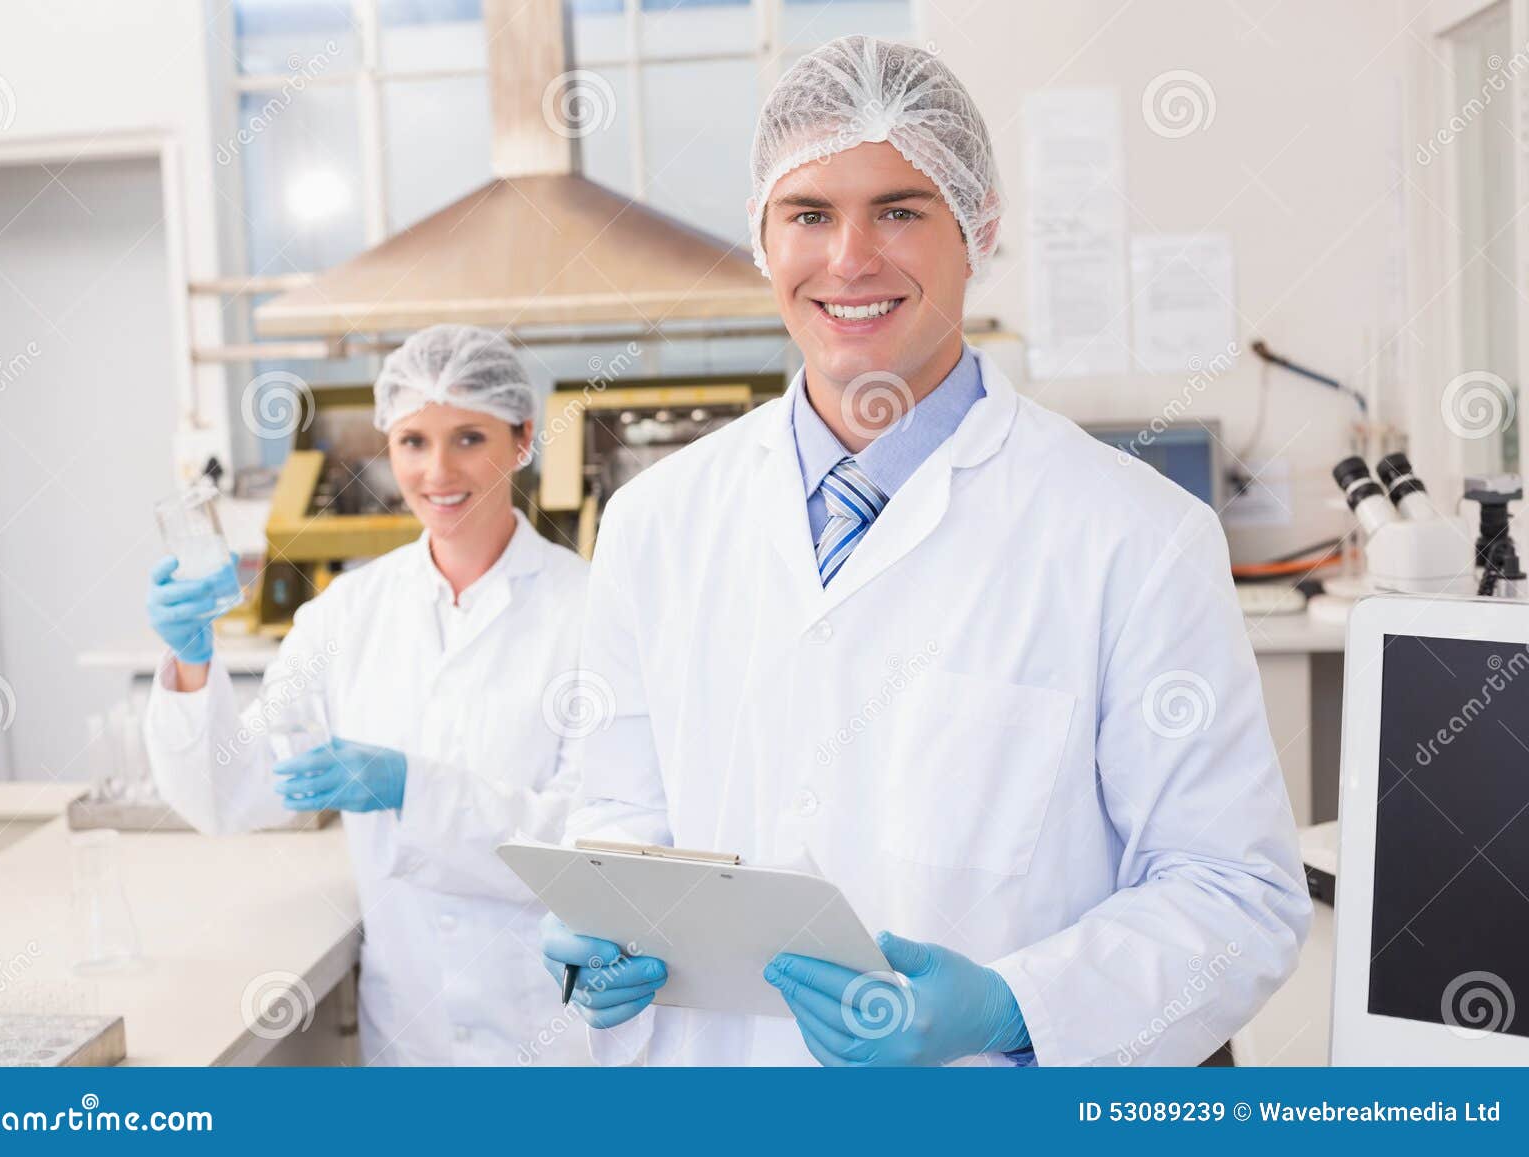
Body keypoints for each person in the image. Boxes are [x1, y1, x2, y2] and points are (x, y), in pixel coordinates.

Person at [540, 35, 1311, 1066]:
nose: (849, 259)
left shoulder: (1132, 536)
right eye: (809, 214)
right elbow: (620, 812)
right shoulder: (655, 523)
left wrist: (1014, 1005)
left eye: (899, 210)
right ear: (764, 239)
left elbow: (1236, 893)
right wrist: (598, 923)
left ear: (976, 229)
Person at [144, 325, 591, 1065]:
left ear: (522, 439)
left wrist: (411, 786)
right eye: (413, 440)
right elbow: (229, 793)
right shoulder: (349, 613)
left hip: (554, 1047)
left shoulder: (589, 611)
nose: (438, 470)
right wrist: (192, 663)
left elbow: (589, 849)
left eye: (469, 437)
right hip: (410, 1042)